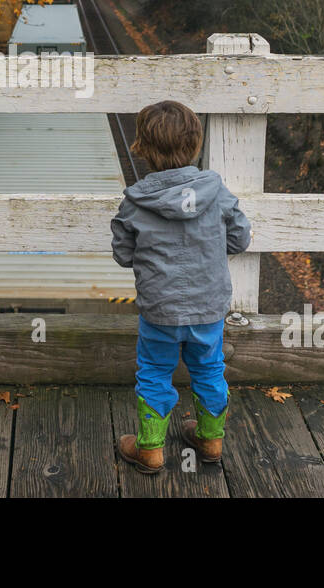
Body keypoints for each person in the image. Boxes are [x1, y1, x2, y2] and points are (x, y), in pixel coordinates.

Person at [110, 100, 252, 473]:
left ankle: (151, 450)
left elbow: (123, 254)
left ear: (141, 147)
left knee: (154, 372)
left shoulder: (135, 203)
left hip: (160, 310)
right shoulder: (217, 192)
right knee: (209, 369)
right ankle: (210, 439)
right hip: (208, 308)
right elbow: (239, 239)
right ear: (196, 145)